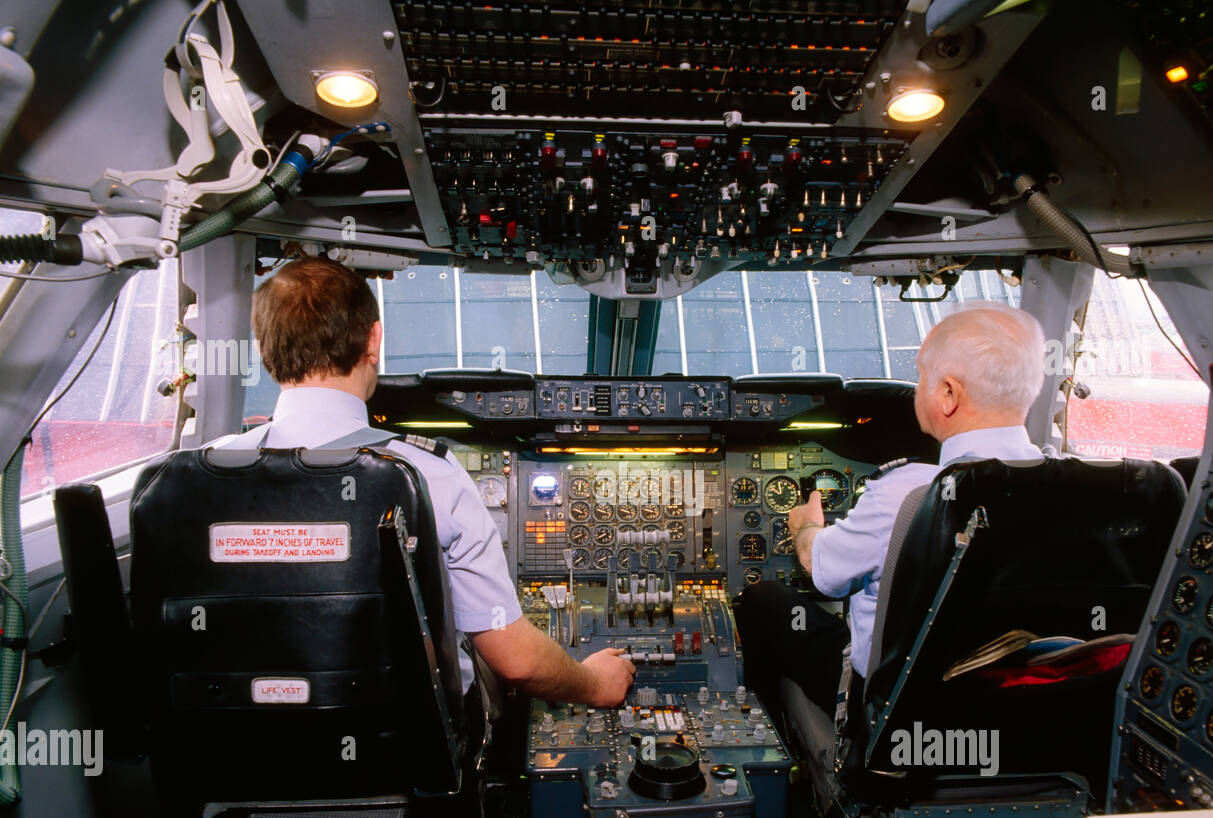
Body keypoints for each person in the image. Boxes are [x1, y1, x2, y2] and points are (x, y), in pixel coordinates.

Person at [213, 256, 634, 708]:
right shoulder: (430, 474)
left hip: (240, 754)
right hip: (403, 757)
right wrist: (595, 683)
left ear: (263, 347)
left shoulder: (198, 474)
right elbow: (517, 661)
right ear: (373, 340)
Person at [735, 302, 1047, 717]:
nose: (916, 389)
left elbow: (820, 566)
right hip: (1016, 708)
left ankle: (789, 751)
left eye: (922, 378)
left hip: (889, 707)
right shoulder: (1074, 490)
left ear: (949, 395)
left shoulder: (908, 494)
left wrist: (807, 526)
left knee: (764, 597)